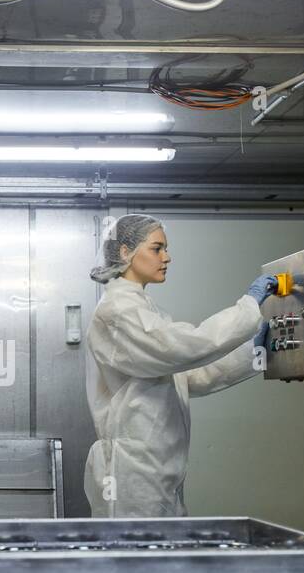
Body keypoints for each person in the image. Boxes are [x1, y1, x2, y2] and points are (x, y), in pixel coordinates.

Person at [84, 214, 278, 518]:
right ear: (125, 252)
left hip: (159, 466)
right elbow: (182, 348)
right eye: (157, 248)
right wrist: (247, 308)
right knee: (142, 559)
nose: (167, 257)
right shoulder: (117, 310)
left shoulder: (145, 310)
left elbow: (187, 377)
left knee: (164, 556)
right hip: (134, 470)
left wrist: (252, 354)